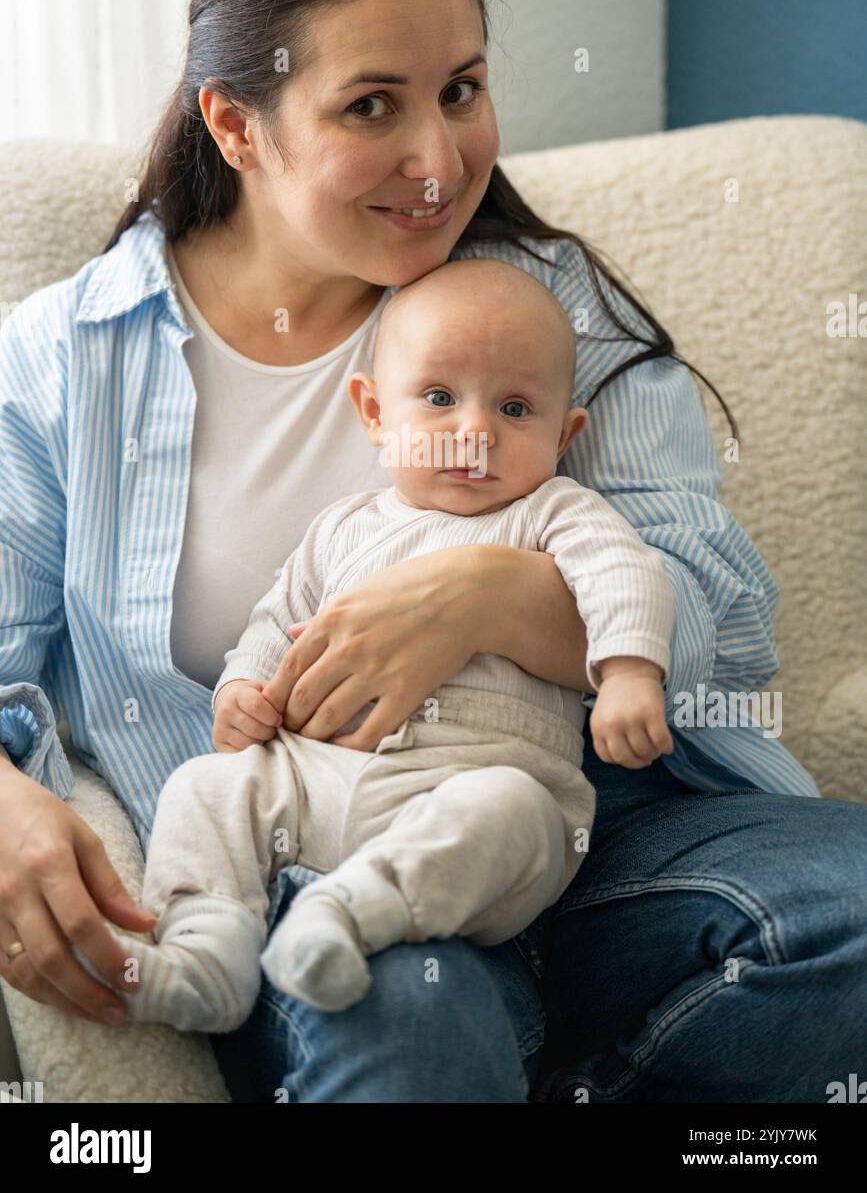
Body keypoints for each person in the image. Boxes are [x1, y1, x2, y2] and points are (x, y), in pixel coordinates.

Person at [0, 0, 864, 1104]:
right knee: (394, 1012)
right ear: (238, 127)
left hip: (593, 830)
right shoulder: (62, 360)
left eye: (461, 88)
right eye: (372, 105)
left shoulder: (548, 309)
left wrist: (495, 597)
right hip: (325, 856)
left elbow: (725, 639)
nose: (439, 157)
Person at [96, 256, 674, 1029]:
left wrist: (631, 672)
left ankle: (355, 912)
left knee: (512, 814)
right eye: (438, 397)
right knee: (204, 787)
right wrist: (244, 690)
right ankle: (207, 952)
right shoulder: (343, 527)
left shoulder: (552, 513)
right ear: (373, 413)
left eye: (513, 408)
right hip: (316, 778)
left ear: (564, 434)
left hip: (470, 781)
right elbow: (277, 619)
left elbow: (623, 573)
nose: (472, 431)